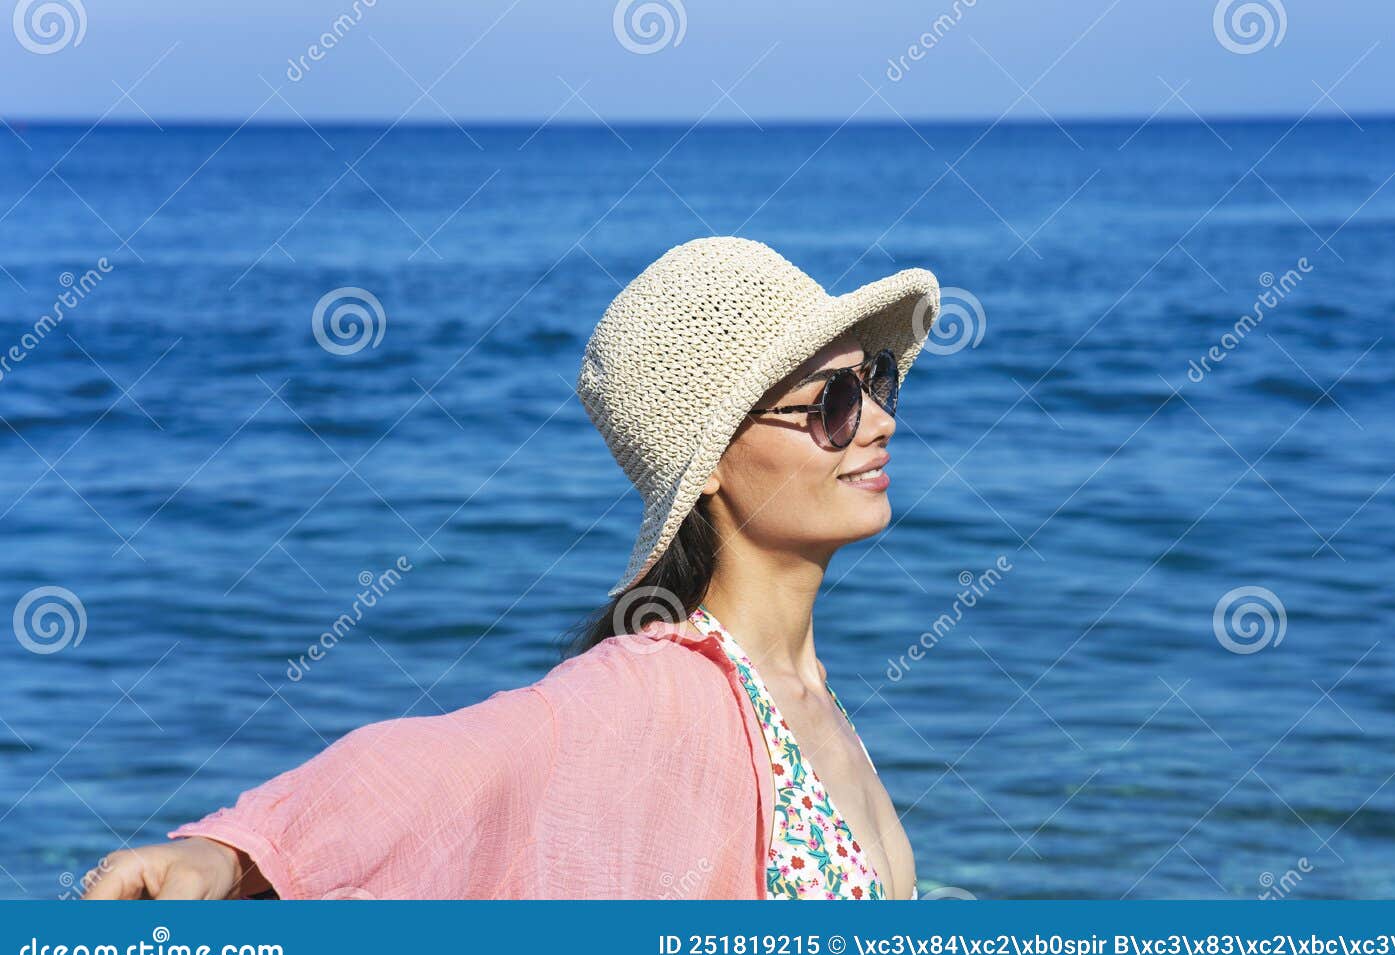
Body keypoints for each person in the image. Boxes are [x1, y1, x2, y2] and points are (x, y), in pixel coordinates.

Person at [83, 236, 940, 900]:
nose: (876, 423)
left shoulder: (808, 695)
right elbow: (449, 768)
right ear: (711, 461)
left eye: (876, 382)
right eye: (831, 403)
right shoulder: (654, 691)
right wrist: (232, 853)